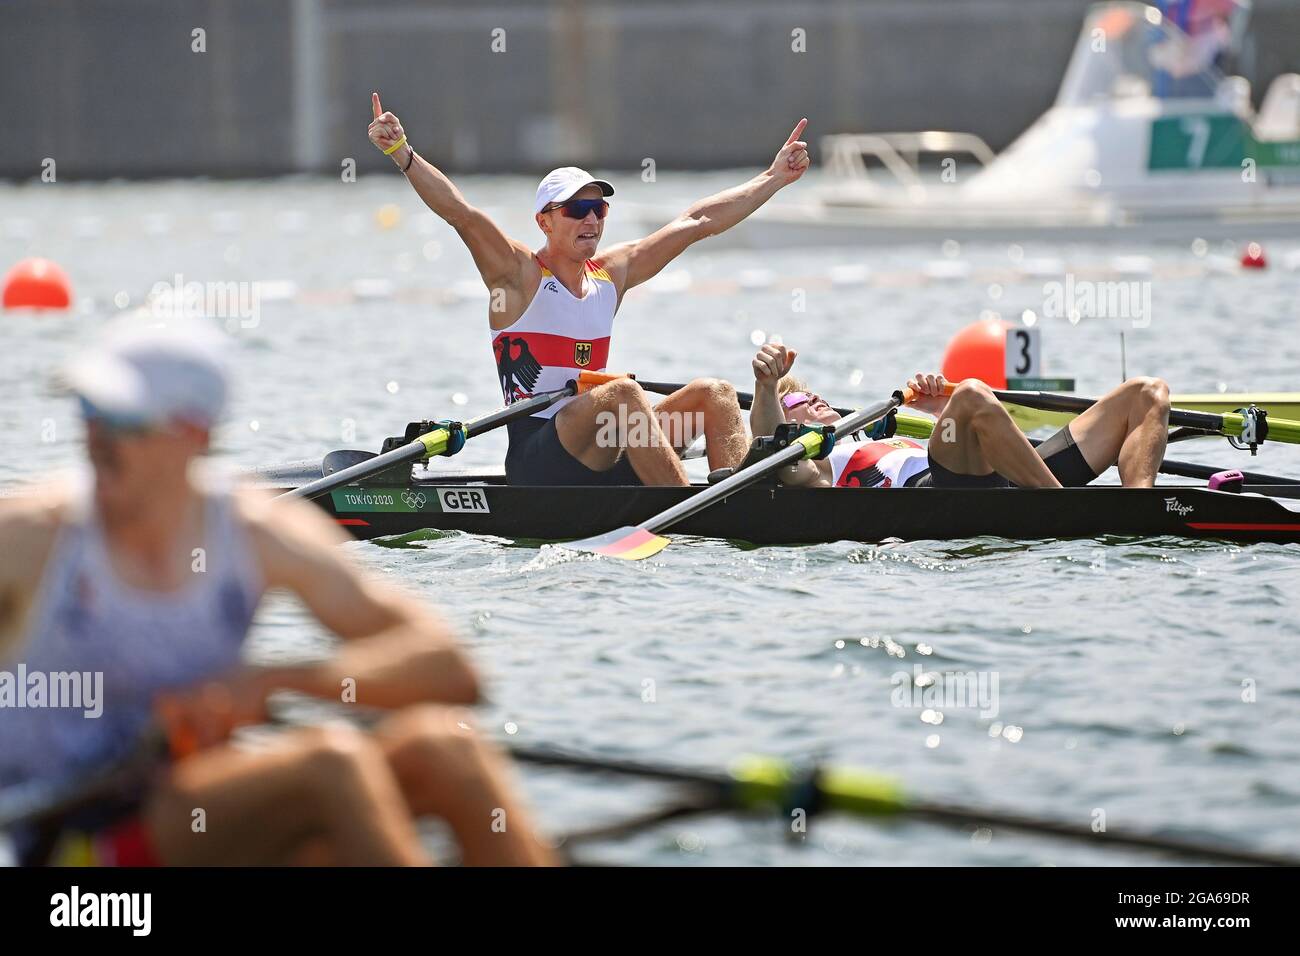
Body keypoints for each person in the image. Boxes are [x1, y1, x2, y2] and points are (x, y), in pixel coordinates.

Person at [0, 318, 555, 866]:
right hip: (67, 839)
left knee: (445, 747)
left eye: (119, 420)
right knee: (331, 763)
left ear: (193, 434)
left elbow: (452, 670)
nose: (94, 438)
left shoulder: (254, 532)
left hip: (197, 811)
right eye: (87, 413)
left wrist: (274, 681)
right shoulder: (34, 537)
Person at [368, 92, 812, 486]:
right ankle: (702, 514)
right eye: (578, 209)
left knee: (715, 394)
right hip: (539, 459)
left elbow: (697, 222)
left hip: (603, 442)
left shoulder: (610, 274)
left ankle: (743, 502)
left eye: (598, 208)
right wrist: (402, 153)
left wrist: (771, 179)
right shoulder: (518, 275)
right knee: (623, 392)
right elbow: (460, 214)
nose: (592, 220)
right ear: (544, 220)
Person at [748, 342, 1172, 489]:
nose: (815, 397)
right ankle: (1059, 503)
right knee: (970, 392)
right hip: (939, 489)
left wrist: (939, 413)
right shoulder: (810, 465)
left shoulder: (866, 437)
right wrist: (767, 387)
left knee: (1146, 393)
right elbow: (767, 445)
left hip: (1007, 474)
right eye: (800, 401)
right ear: (791, 423)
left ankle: (1139, 504)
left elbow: (954, 438)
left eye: (816, 393)